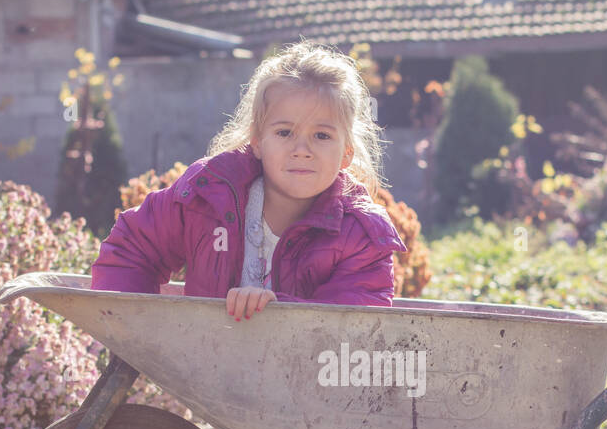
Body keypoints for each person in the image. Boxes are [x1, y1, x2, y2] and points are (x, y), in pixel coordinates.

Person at [91, 41, 406, 320]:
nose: (302, 150)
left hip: (306, 382)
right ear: (257, 141)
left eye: (322, 135)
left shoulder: (361, 235)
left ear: (346, 154)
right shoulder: (209, 196)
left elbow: (353, 323)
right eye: (284, 132)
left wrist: (274, 311)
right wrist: (132, 325)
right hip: (202, 373)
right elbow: (133, 246)